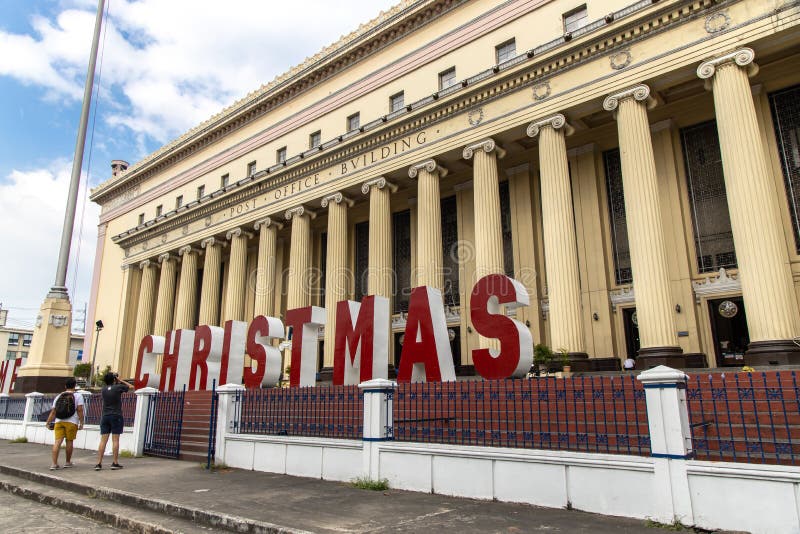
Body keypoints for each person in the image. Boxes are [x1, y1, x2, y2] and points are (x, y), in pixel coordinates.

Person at [95, 371, 133, 471]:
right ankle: (115, 462)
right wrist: (120, 380)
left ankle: (98, 463)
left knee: (103, 440)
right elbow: (131, 387)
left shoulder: (103, 390)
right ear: (114, 379)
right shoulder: (117, 387)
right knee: (115, 440)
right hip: (116, 415)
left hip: (105, 416)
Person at [45, 377, 85, 470]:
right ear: (75, 386)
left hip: (59, 421)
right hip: (72, 422)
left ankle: (54, 464)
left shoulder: (59, 396)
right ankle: (67, 462)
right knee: (69, 441)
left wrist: (48, 422)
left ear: (65, 386)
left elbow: (53, 411)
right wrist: (81, 422)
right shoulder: (78, 396)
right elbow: (80, 410)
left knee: (57, 442)